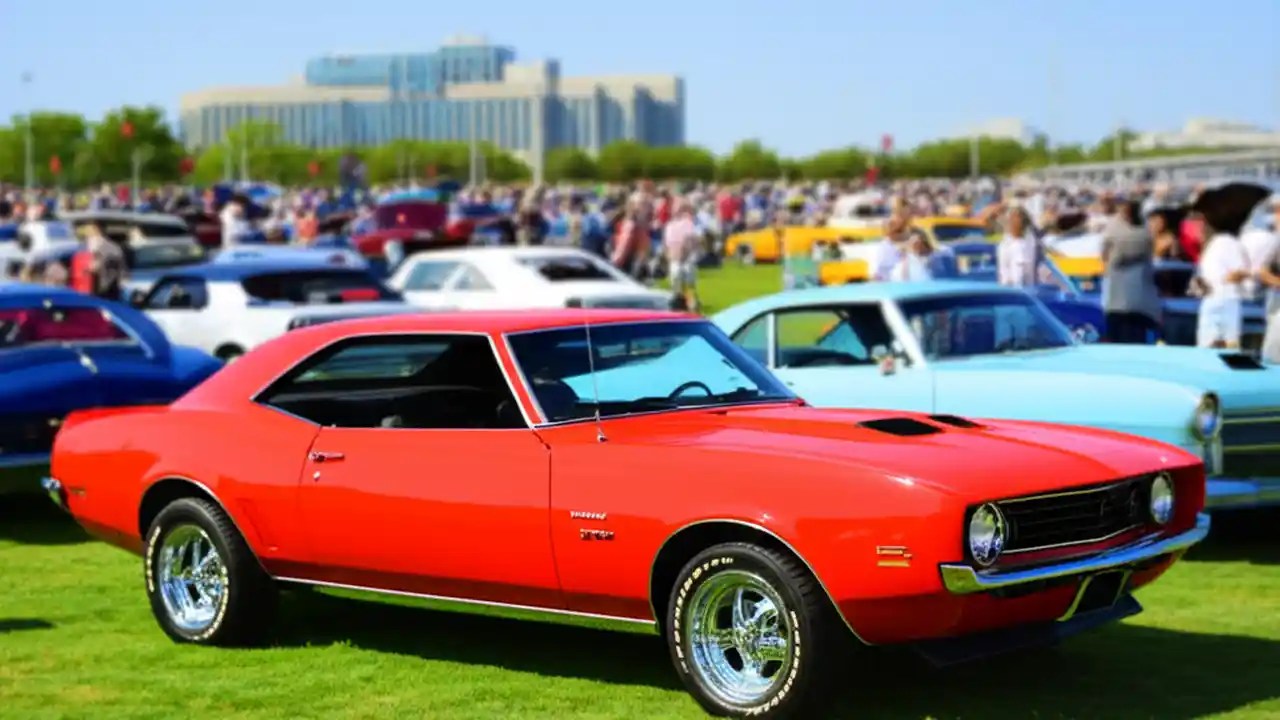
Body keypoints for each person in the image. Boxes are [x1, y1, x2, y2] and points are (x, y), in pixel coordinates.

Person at [1101, 201, 1161, 343]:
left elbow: (1105, 256)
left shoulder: (1112, 230)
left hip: (1116, 299)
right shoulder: (1146, 233)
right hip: (1141, 300)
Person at [1195, 221, 1250, 349]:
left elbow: (1240, 272)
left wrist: (1222, 281)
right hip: (1211, 299)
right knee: (1206, 347)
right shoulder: (1212, 245)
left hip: (1226, 299)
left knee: (1229, 347)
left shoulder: (1227, 242)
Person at [663, 202, 701, 311]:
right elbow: (667, 243)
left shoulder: (688, 223)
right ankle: (679, 304)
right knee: (677, 282)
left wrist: (685, 253)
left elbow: (691, 241)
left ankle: (691, 304)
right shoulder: (670, 226)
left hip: (686, 257)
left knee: (688, 282)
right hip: (675, 257)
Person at [996, 206, 1040, 287]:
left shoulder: (1027, 243)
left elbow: (1023, 273)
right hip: (1010, 290)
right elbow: (1004, 272)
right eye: (1011, 219)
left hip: (1025, 289)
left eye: (1015, 219)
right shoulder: (1005, 244)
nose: (1012, 222)